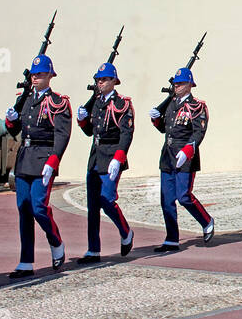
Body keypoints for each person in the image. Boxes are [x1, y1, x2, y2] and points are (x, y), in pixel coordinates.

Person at [5, 55, 71, 276]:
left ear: (50, 76)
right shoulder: (24, 99)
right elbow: (15, 131)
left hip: (43, 158)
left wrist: (54, 161)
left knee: (38, 207)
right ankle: (26, 261)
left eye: (40, 74)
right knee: (24, 208)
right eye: (34, 74)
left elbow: (62, 134)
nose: (35, 78)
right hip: (24, 157)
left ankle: (55, 241)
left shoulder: (59, 102)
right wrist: (11, 120)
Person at [148, 67, 213, 252]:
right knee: (167, 199)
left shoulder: (197, 106)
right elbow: (165, 129)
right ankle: (171, 239)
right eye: (175, 83)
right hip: (167, 156)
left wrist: (188, 149)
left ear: (190, 85)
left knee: (183, 196)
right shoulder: (170, 104)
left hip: (185, 156)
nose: (177, 86)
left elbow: (199, 131)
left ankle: (206, 221)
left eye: (181, 83)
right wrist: (156, 121)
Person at [76, 62, 135, 265]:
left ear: (113, 81)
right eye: (98, 80)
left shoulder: (122, 104)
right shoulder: (97, 102)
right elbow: (90, 132)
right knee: (92, 205)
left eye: (104, 80)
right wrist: (83, 120)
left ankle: (125, 230)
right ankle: (93, 249)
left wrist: (119, 158)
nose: (100, 83)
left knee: (106, 199)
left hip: (111, 156)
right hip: (95, 156)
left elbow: (127, 133)